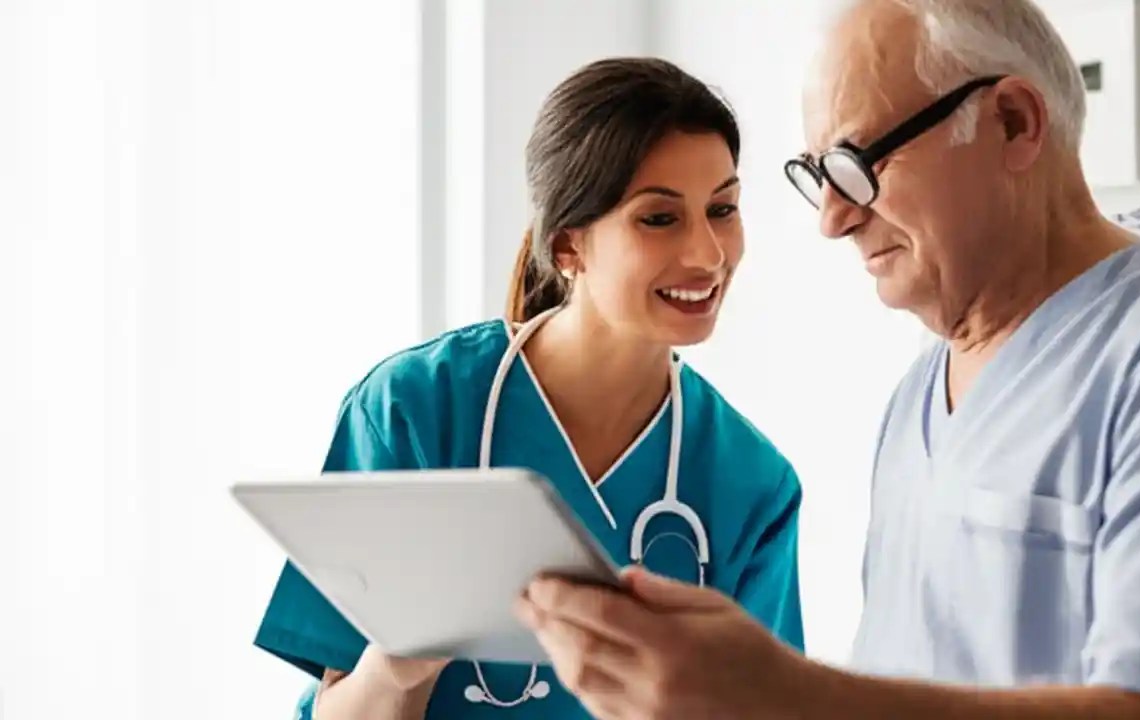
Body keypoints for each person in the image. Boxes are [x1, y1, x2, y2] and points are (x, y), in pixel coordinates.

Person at [513, 1, 1140, 719]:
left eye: (855, 164)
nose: (834, 219)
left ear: (1013, 122)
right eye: (819, 176)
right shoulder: (927, 386)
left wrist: (784, 697)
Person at [250, 57, 806, 719]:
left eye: (723, 209)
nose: (709, 254)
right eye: (660, 219)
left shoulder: (751, 485)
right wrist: (400, 665)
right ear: (568, 246)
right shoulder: (415, 413)